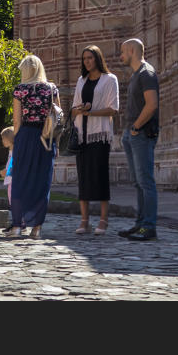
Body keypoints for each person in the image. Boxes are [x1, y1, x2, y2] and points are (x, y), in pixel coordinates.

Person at [6, 54, 61, 238]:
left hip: (26, 135)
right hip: (47, 137)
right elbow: (57, 120)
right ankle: (37, 227)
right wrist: (57, 144)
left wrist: (17, 142)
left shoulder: (20, 90)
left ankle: (16, 226)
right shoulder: (52, 89)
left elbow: (17, 121)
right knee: (42, 182)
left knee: (20, 180)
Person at [71, 45, 119, 235]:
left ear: (98, 59)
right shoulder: (80, 81)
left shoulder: (110, 80)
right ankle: (84, 221)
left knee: (99, 176)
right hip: (82, 135)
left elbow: (113, 109)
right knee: (83, 178)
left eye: (90, 58)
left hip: (99, 135)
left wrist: (91, 111)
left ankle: (103, 220)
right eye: (84, 59)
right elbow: (73, 109)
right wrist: (81, 108)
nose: (87, 62)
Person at [117, 37, 160, 241]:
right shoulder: (136, 75)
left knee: (146, 181)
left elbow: (151, 105)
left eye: (123, 52)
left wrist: (135, 127)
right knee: (137, 182)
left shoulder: (147, 73)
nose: (121, 56)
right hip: (132, 134)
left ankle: (149, 227)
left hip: (141, 133)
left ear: (132, 50)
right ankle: (141, 223)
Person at [0, 126, 14, 206]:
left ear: (10, 139)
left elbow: (14, 166)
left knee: (14, 203)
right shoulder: (11, 152)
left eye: (3, 138)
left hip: (14, 183)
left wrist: (7, 172)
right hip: (10, 182)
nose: (2, 141)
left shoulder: (14, 152)